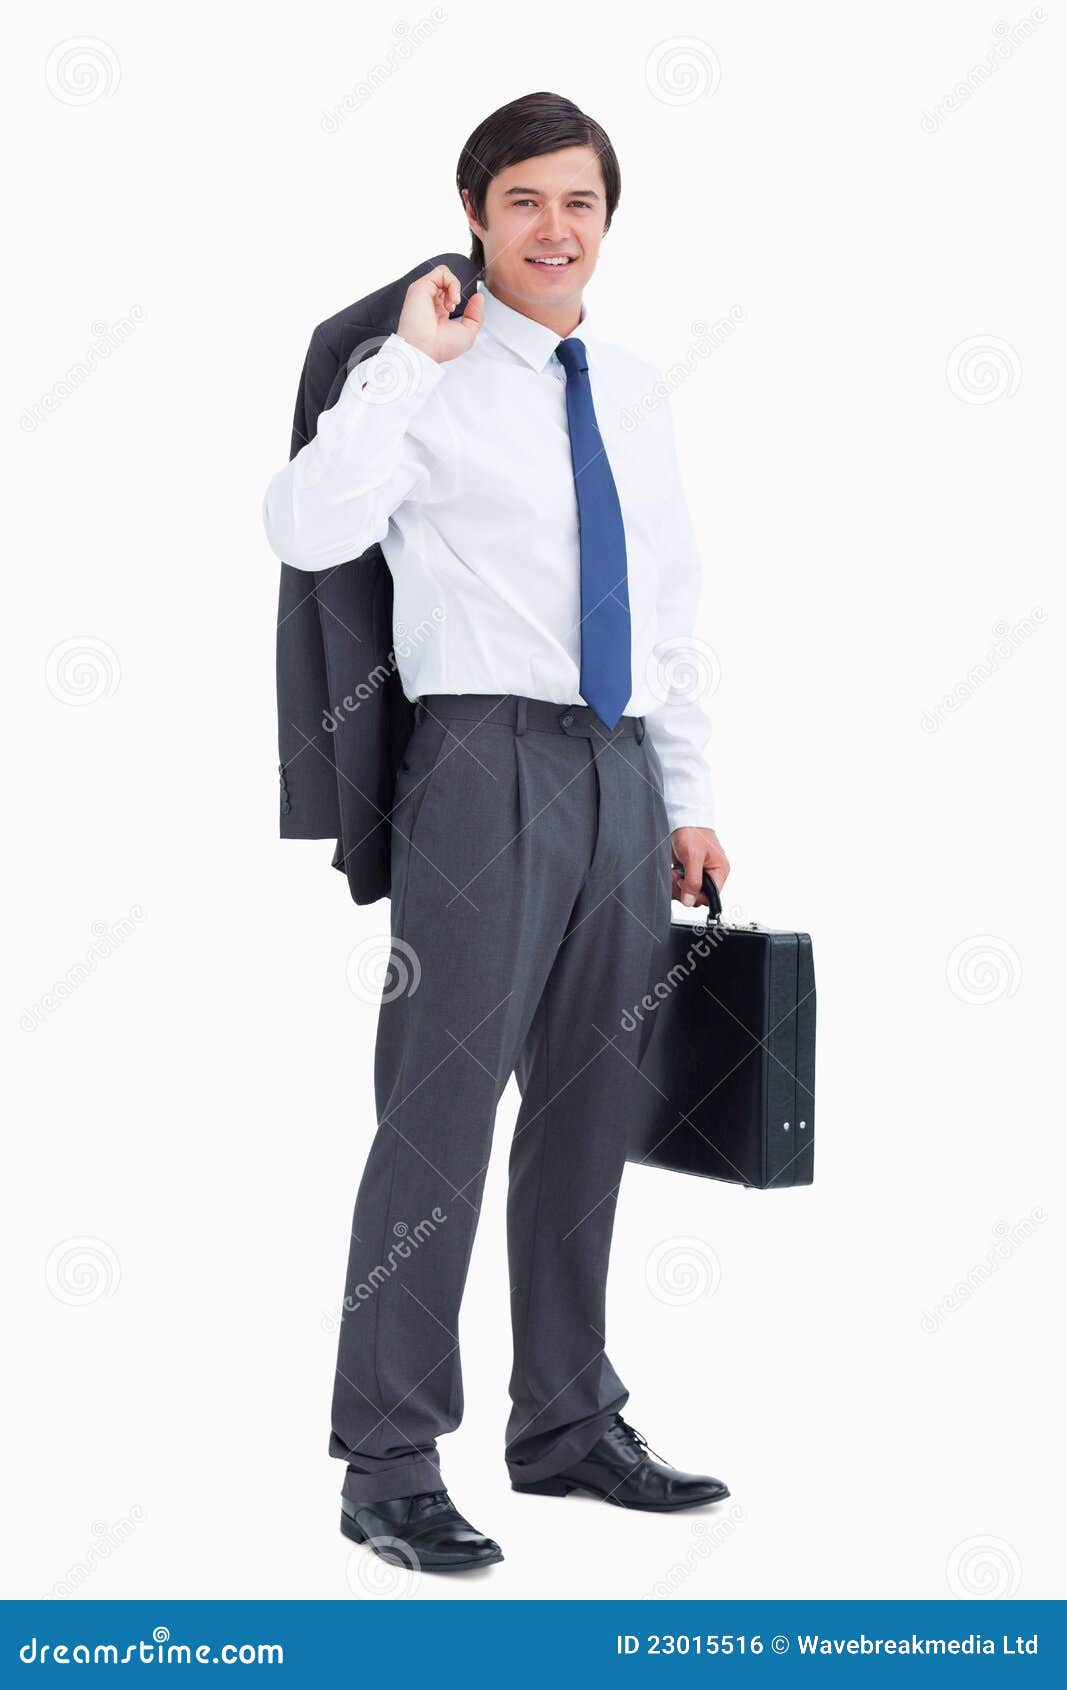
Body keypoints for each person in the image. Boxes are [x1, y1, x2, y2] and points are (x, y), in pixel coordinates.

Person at [263, 91, 731, 1574]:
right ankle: (389, 1461)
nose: (554, 229)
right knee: (441, 1117)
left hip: (621, 774)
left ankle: (568, 1420)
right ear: (477, 211)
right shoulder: (420, 369)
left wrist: (693, 796)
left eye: (579, 201)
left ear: (607, 218)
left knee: (595, 1114)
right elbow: (304, 525)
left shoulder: (636, 387)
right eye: (524, 200)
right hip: (479, 771)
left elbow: (670, 605)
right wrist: (408, 363)